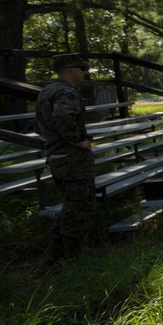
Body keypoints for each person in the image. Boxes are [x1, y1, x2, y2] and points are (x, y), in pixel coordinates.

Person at [34, 53, 95, 261]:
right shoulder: (66, 92)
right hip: (71, 158)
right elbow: (63, 117)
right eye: (82, 69)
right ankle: (74, 257)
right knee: (79, 205)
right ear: (70, 69)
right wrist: (78, 139)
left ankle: (54, 256)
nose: (85, 73)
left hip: (56, 154)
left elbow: (39, 125)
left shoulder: (47, 91)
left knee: (71, 203)